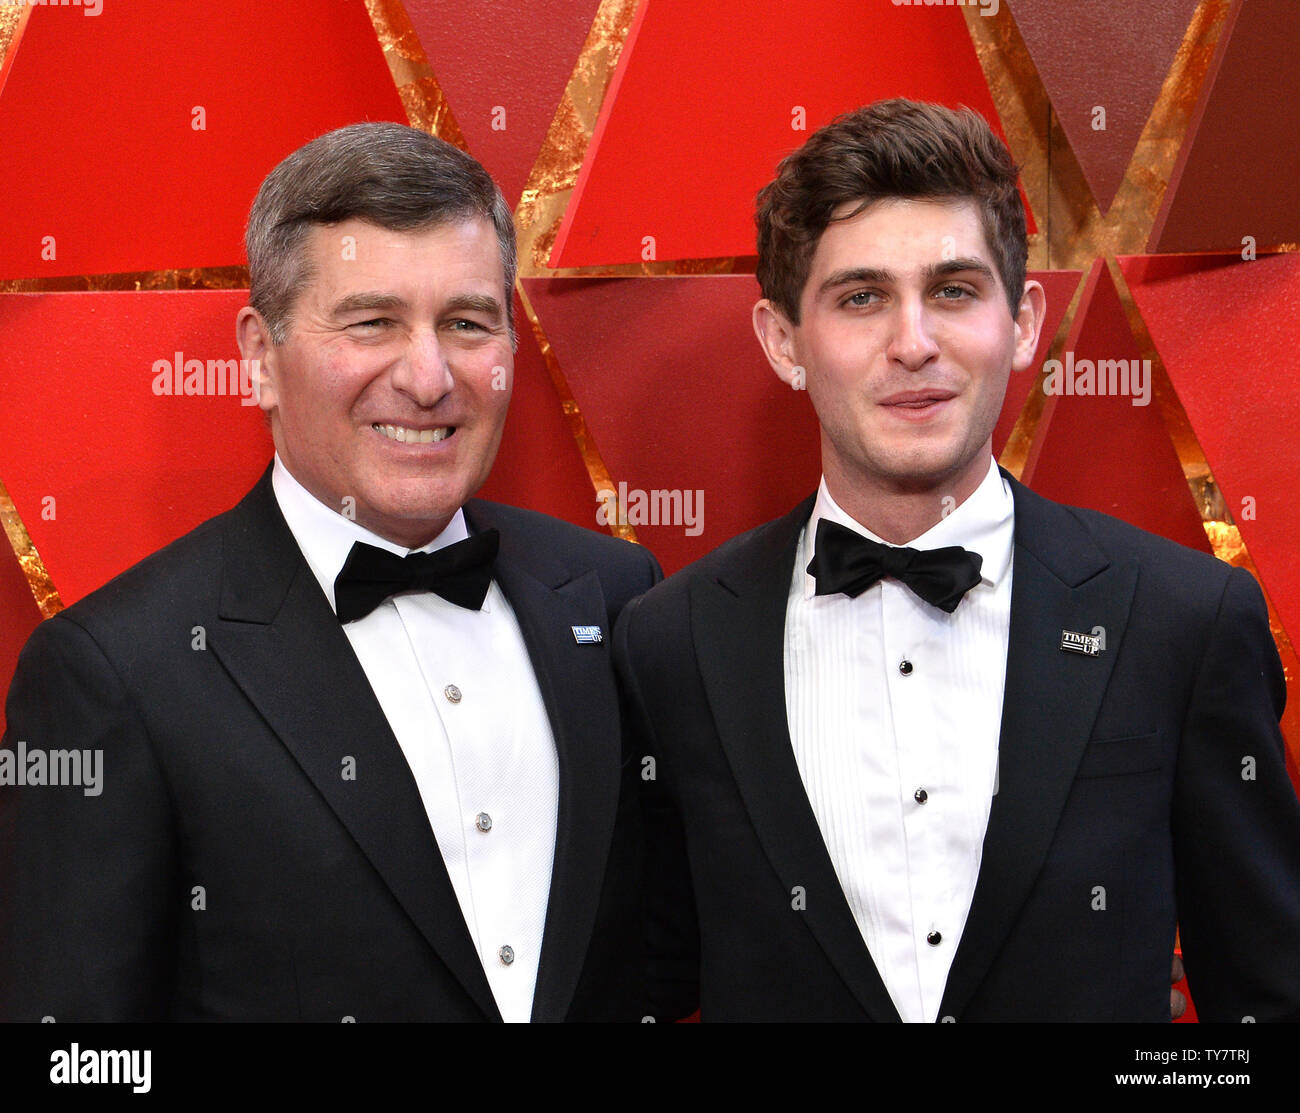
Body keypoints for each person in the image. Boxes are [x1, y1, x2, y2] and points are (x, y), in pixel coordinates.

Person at [615, 98, 1300, 1022]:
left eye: (953, 290)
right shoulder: (672, 642)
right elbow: (644, 985)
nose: (914, 343)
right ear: (784, 342)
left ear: (1021, 323)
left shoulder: (1185, 618)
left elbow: (1262, 1003)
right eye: (861, 297)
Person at [0, 123, 659, 1022]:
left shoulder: (615, 595)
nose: (428, 378)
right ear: (260, 357)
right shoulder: (113, 670)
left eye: (467, 323)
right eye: (372, 322)